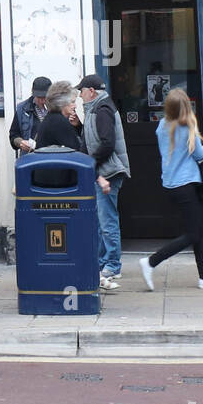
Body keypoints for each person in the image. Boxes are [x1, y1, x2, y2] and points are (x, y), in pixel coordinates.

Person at [139, 88, 203, 290]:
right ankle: (151, 262)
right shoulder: (186, 126)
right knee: (194, 234)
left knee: (199, 230)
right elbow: (197, 154)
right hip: (187, 184)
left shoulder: (162, 125)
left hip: (172, 184)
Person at [78, 73, 130, 292]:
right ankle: (103, 263)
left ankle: (112, 265)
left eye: (81, 91)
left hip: (109, 172)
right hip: (103, 171)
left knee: (107, 221)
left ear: (91, 92)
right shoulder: (95, 110)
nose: (79, 96)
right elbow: (90, 141)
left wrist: (90, 162)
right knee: (101, 221)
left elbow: (107, 143)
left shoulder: (103, 110)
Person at [34, 81, 84, 152]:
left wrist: (77, 126)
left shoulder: (52, 118)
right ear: (62, 103)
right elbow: (75, 150)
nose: (75, 106)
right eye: (72, 102)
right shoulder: (59, 122)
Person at [8, 76, 51, 153]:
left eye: (45, 97)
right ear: (33, 94)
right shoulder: (23, 108)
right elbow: (13, 135)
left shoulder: (57, 108)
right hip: (30, 157)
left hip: (52, 155)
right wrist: (20, 142)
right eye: (39, 97)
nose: (42, 100)